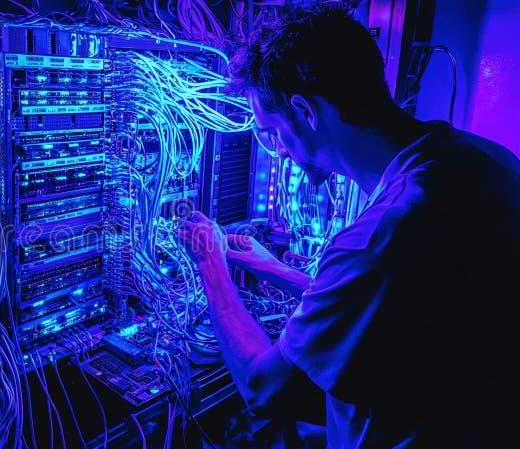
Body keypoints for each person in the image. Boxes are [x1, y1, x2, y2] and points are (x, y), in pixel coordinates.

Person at [177, 4, 520, 448]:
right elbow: (396, 301)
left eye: (272, 131)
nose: (278, 151)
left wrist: (210, 262)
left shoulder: (385, 233)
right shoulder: (483, 159)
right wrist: (278, 272)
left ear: (305, 111)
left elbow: (264, 388)